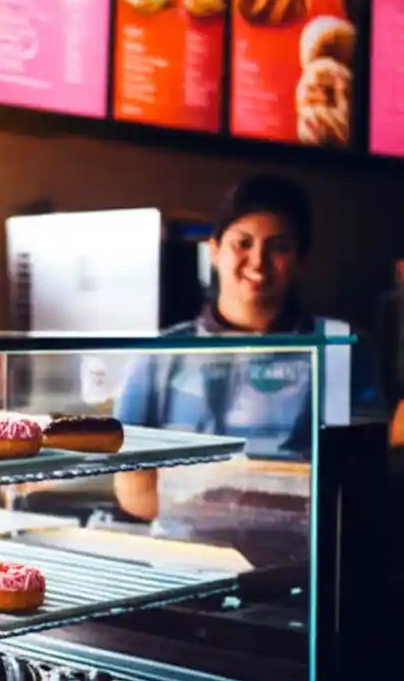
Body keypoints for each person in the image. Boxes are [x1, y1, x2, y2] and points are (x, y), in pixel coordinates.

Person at [113, 175, 380, 521]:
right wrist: (232, 518)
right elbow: (134, 488)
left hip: (305, 564)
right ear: (214, 250)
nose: (258, 261)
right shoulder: (159, 355)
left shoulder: (343, 349)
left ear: (302, 260)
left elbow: (356, 481)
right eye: (243, 242)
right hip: (189, 559)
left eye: (279, 247)